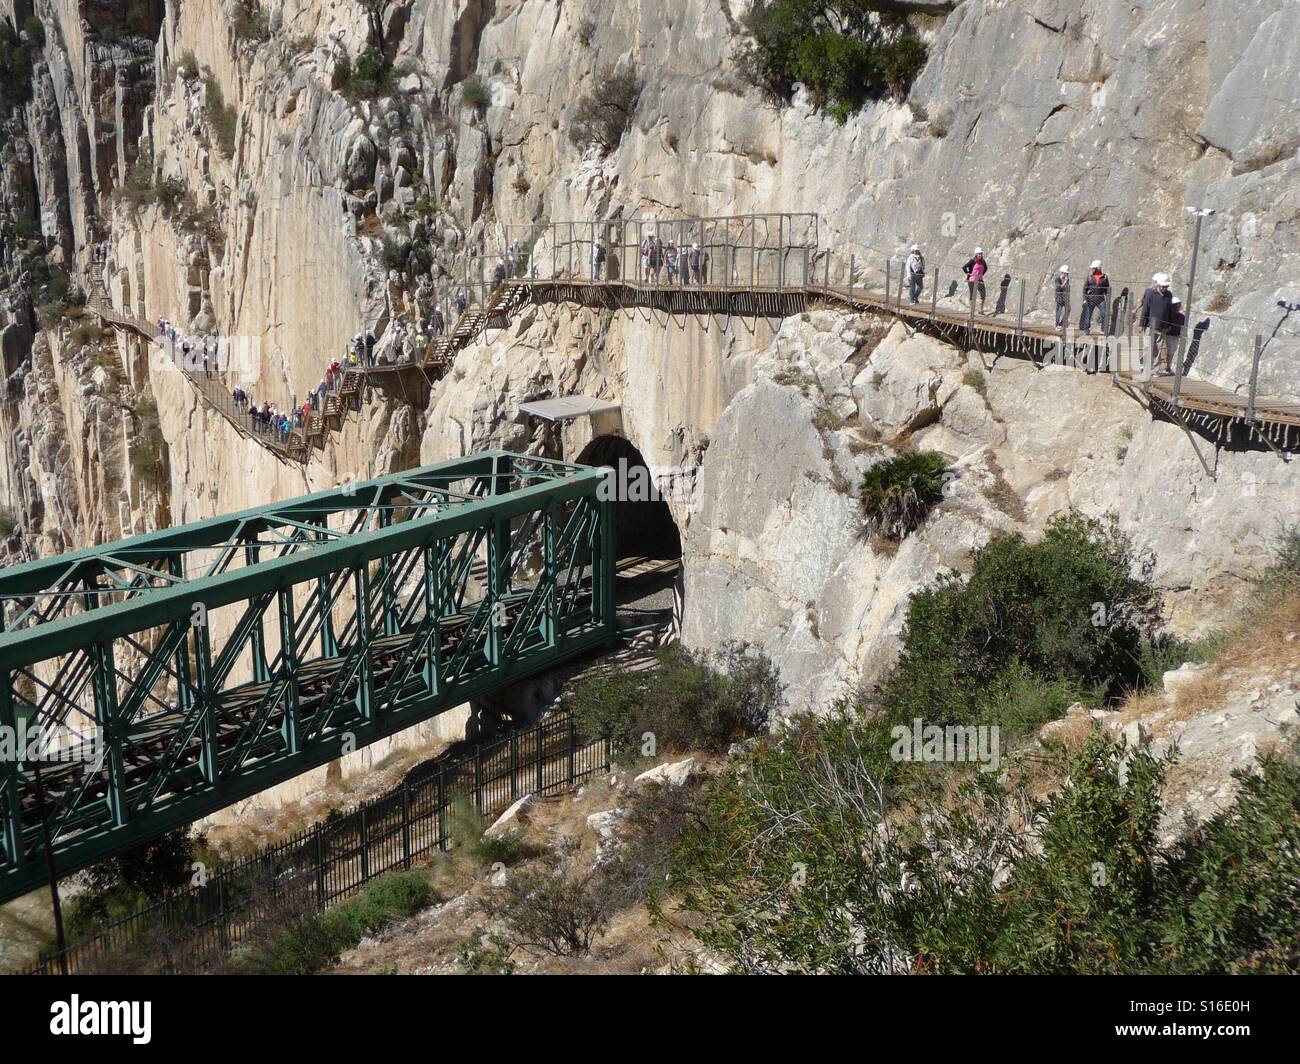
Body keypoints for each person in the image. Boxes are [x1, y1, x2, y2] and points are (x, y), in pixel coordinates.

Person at [1137, 272, 1175, 374]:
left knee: (1158, 349)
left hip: (1162, 327)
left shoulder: (1169, 295)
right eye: (1163, 286)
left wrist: (1169, 325)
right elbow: (1145, 309)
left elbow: (1170, 311)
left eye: (1166, 286)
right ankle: (1145, 366)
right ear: (1157, 284)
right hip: (1150, 326)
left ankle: (1155, 370)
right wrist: (1141, 324)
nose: (1165, 288)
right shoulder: (1150, 294)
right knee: (1147, 347)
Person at [1081, 260, 1110, 334]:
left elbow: (1107, 289)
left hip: (1101, 299)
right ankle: (1086, 330)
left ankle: (1103, 330)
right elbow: (1085, 289)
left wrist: (1107, 298)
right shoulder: (1089, 277)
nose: (1092, 269)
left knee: (1104, 314)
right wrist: (1084, 299)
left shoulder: (1105, 277)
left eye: (1093, 268)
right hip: (1090, 298)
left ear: (1098, 268)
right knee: (1088, 314)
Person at [963, 248, 989, 315]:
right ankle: (971, 311)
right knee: (972, 296)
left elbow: (986, 268)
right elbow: (964, 267)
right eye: (979, 254)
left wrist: (981, 274)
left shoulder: (983, 262)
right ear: (976, 254)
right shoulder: (972, 261)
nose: (980, 255)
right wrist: (969, 273)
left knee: (983, 295)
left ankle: (980, 310)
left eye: (981, 253)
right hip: (972, 280)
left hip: (980, 280)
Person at [1054, 266, 1071, 332]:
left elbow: (1067, 289)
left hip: (1065, 298)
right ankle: (1057, 325)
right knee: (1059, 312)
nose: (1066, 274)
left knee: (1068, 309)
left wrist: (1066, 282)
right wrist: (1064, 282)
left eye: (1066, 273)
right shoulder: (1057, 279)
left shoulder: (1067, 280)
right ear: (1062, 272)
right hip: (1059, 298)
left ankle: (1061, 324)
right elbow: (1058, 288)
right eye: (1065, 273)